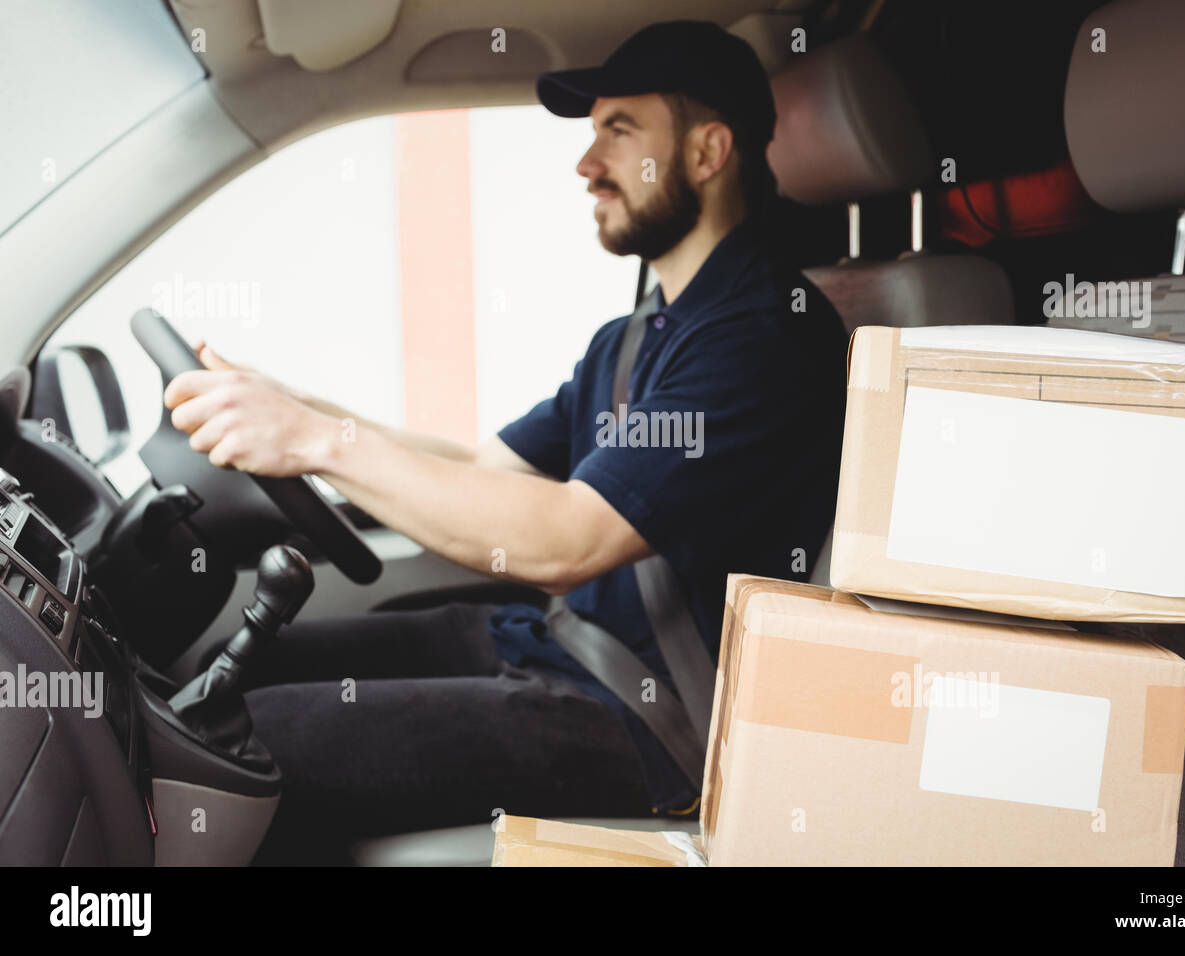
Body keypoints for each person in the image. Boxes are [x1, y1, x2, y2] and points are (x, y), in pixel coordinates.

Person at [163, 20, 848, 863]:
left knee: (232, 740)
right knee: (238, 670)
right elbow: (486, 468)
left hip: (647, 719)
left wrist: (312, 442)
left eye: (617, 131)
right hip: (554, 646)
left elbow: (567, 538)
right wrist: (297, 407)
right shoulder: (633, 338)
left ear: (708, 152)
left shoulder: (762, 337)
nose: (585, 163)